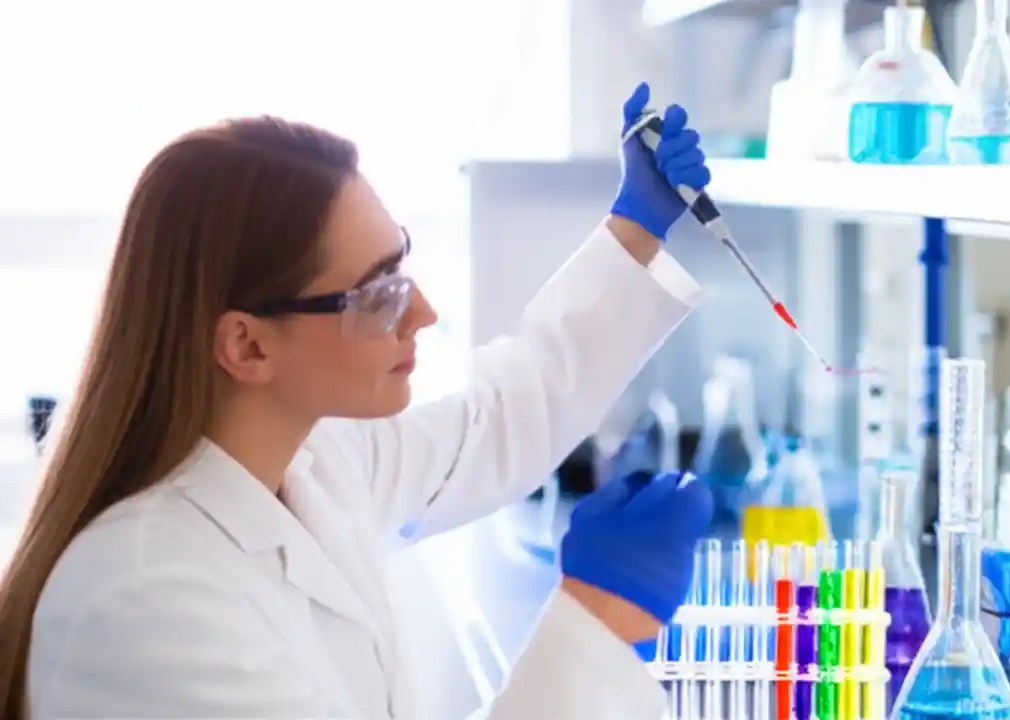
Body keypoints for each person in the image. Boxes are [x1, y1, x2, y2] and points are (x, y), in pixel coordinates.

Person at [0, 82, 716, 719]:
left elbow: (492, 420)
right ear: (247, 346)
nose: (422, 313)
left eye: (401, 268)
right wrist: (596, 621)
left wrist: (636, 229)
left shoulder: (307, 465)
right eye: (377, 294)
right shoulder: (145, 599)